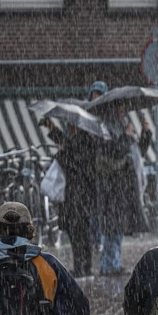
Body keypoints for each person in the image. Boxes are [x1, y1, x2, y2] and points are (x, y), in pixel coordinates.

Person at [40, 116, 99, 277]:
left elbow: (74, 164)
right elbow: (68, 147)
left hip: (78, 196)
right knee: (79, 232)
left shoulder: (84, 142)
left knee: (78, 232)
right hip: (79, 195)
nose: (68, 128)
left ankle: (82, 267)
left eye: (69, 125)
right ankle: (83, 266)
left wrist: (60, 154)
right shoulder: (82, 140)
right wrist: (52, 128)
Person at [97, 103, 152, 275]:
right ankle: (108, 264)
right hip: (113, 186)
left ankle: (114, 262)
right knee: (112, 226)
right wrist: (127, 135)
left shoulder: (121, 127)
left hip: (124, 186)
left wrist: (145, 133)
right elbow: (114, 151)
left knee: (118, 226)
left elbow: (138, 151)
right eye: (120, 110)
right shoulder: (107, 129)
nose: (123, 112)